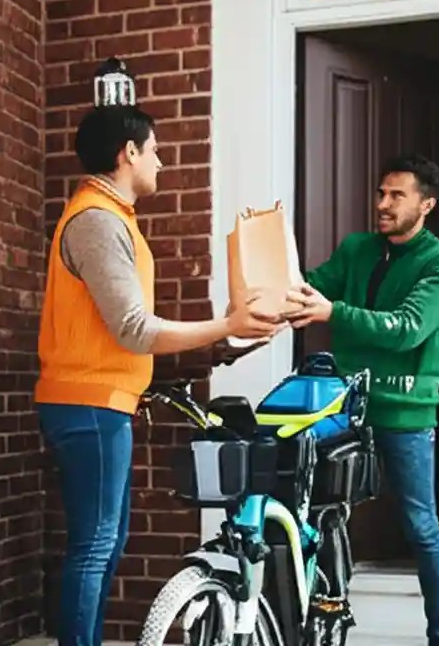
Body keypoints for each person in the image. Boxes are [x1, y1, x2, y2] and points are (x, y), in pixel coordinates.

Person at [34, 58, 283, 646]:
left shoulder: (111, 216)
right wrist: (226, 322)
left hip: (102, 404)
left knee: (105, 543)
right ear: (127, 152)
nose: (161, 161)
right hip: (89, 406)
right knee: (95, 547)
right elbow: (132, 328)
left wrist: (232, 338)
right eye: (154, 151)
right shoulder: (97, 221)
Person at [282, 153, 439, 646]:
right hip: (346, 408)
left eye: (396, 195)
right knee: (317, 510)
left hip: (405, 413)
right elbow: (309, 289)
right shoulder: (358, 249)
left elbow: (406, 330)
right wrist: (274, 290)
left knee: (421, 526)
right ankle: (319, 617)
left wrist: (330, 312)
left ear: (426, 204)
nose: (382, 203)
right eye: (381, 193)